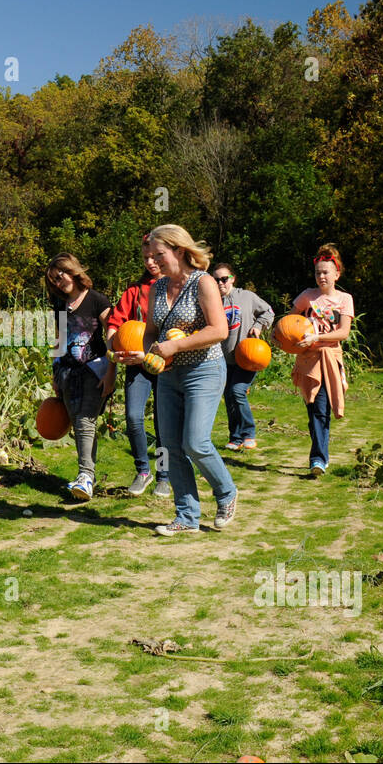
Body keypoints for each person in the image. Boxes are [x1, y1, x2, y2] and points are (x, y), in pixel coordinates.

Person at [115, 225, 234, 536]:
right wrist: (143, 354)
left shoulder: (203, 283)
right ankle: (186, 517)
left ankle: (226, 493)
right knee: (170, 445)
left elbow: (219, 330)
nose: (153, 261)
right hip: (168, 374)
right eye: (149, 256)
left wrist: (176, 346)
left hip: (203, 370)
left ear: (180, 251)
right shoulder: (157, 287)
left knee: (195, 442)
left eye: (159, 255)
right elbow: (152, 332)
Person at [105, 235, 171, 498]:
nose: (150, 262)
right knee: (133, 417)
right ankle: (143, 470)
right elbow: (114, 322)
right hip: (136, 363)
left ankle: (164, 476)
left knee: (163, 423)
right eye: (145, 258)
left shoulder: (175, 287)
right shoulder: (134, 291)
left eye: (154, 257)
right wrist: (113, 349)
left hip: (166, 364)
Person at [46, 253, 114, 501]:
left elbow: (113, 338)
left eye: (61, 273)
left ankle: (85, 476)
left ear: (73, 270)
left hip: (94, 369)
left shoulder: (97, 300)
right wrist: (54, 371)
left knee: (85, 421)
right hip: (67, 371)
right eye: (54, 278)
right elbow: (60, 338)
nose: (58, 280)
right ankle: (87, 475)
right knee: (79, 425)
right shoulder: (60, 304)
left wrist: (111, 372)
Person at [291, 243, 354, 477]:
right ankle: (319, 457)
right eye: (318, 272)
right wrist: (285, 339)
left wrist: (317, 336)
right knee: (314, 409)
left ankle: (318, 459)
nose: (321, 276)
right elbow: (289, 323)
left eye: (326, 272)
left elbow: (343, 332)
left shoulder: (345, 299)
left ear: (337, 274)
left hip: (331, 359)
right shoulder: (307, 296)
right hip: (309, 360)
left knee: (321, 409)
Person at [213, 263, 275, 451]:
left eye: (224, 279)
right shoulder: (212, 301)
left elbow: (268, 312)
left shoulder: (246, 297)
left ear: (232, 278)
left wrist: (258, 326)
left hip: (248, 356)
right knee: (229, 397)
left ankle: (249, 433)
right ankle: (235, 437)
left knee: (238, 392)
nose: (220, 283)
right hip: (223, 359)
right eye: (216, 280)